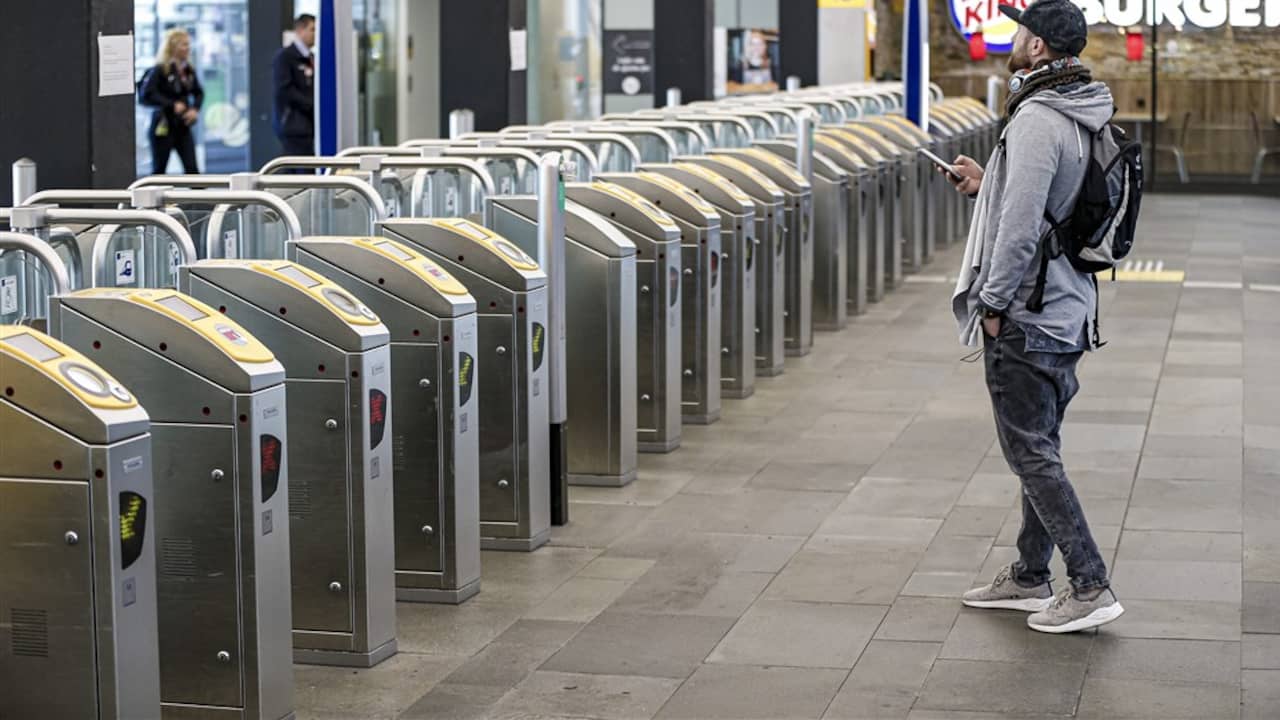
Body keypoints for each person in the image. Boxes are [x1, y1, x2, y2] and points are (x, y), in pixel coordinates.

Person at [946, 0, 1124, 634]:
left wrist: (992, 306)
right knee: (1038, 446)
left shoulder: (1036, 119)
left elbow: (1020, 231)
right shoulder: (1083, 110)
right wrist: (983, 183)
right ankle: (1028, 575)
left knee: (1030, 456)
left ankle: (1088, 583)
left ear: (1040, 48)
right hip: (1069, 306)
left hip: (1029, 312)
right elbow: (1043, 200)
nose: (1012, 36)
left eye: (1021, 30)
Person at [139, 29, 203, 174]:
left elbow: (198, 92)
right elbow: (147, 94)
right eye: (184, 45)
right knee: (159, 169)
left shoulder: (187, 70)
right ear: (173, 47)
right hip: (163, 126)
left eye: (188, 45)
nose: (188, 48)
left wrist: (194, 109)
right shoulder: (159, 70)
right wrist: (171, 104)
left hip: (182, 125)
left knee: (192, 169)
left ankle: (199, 195)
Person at [273, 14, 317, 157]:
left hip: (309, 126)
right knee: (300, 169)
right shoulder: (285, 57)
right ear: (300, 31)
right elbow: (284, 90)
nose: (315, 34)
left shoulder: (311, 58)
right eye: (312, 29)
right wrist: (311, 104)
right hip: (294, 126)